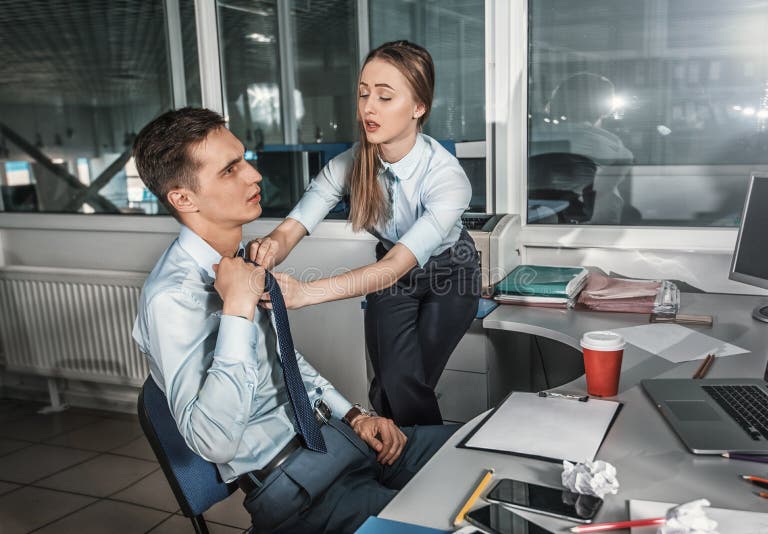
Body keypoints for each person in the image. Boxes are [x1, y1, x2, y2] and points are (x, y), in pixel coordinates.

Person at [130, 107, 457, 534]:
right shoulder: (172, 297)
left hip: (340, 441)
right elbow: (212, 441)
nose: (254, 176)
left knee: (479, 446)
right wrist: (237, 311)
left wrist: (355, 415)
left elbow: (282, 359)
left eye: (244, 159)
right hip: (299, 490)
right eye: (231, 170)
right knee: (452, 520)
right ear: (183, 198)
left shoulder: (238, 260)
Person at [248, 41, 481, 427]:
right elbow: (295, 225)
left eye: (385, 97)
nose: (368, 107)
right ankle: (402, 466)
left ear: (418, 108)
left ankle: (411, 471)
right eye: (363, 93)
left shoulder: (446, 177)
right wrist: (268, 249)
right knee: (386, 385)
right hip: (392, 271)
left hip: (450, 274)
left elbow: (394, 267)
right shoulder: (349, 165)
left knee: (406, 384)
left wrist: (305, 293)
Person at [529, 72, 634, 224]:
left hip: (539, 219)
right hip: (588, 227)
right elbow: (625, 163)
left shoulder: (534, 135)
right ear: (604, 106)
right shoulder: (609, 143)